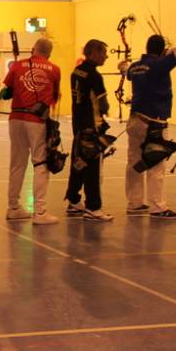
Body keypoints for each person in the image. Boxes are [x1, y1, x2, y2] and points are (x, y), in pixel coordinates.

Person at [125, 34, 176, 219]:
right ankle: (157, 207)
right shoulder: (160, 64)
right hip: (154, 122)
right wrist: (167, 54)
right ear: (161, 50)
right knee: (156, 163)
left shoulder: (136, 67)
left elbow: (126, 71)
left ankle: (135, 203)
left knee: (134, 161)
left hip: (135, 120)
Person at [3, 37, 61, 224]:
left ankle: (13, 207)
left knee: (17, 163)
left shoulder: (17, 65)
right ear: (49, 54)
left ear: (33, 49)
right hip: (36, 120)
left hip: (16, 118)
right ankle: (40, 212)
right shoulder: (54, 69)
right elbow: (54, 97)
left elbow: (7, 92)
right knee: (40, 163)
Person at [65, 39, 114, 222]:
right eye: (103, 53)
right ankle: (93, 207)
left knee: (79, 162)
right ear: (93, 53)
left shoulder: (76, 71)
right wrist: (106, 111)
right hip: (92, 127)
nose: (106, 56)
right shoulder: (94, 75)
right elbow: (103, 104)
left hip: (79, 125)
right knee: (93, 169)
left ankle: (73, 199)